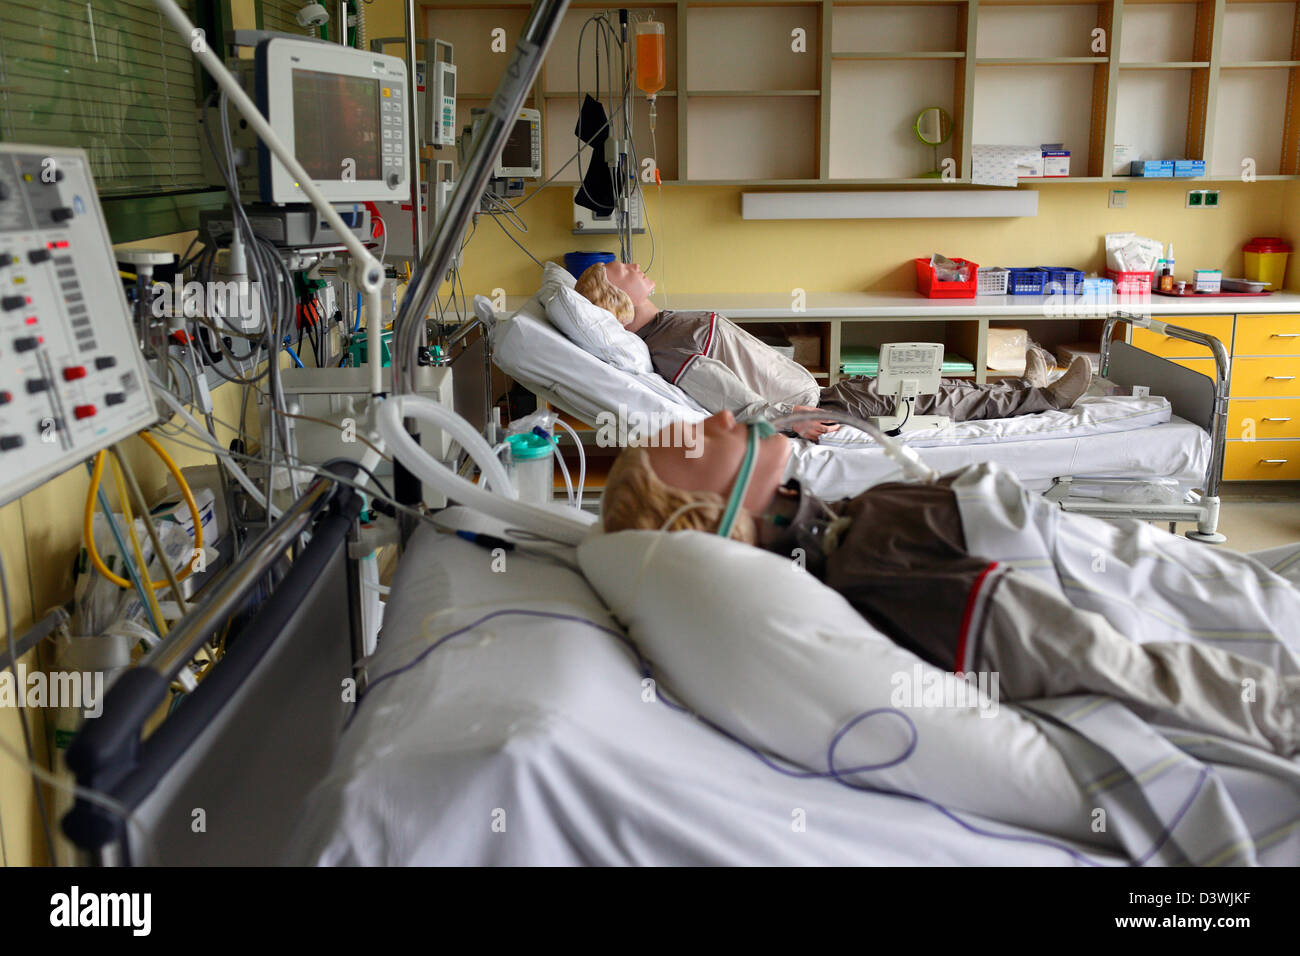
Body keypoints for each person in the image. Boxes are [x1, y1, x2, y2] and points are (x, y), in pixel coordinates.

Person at [599, 409, 1300, 756]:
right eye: (691, 440)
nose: (718, 418)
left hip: (1192, 578)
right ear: (706, 513)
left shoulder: (845, 528)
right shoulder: (875, 565)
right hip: (1239, 630)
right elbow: (1104, 661)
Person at [575, 261, 1092, 441]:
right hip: (817, 411)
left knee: (928, 388)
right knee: (931, 397)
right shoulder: (669, 351)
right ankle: (1044, 400)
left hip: (819, 395)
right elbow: (732, 402)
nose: (635, 266)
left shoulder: (667, 326)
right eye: (622, 267)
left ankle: (1027, 387)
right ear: (616, 297)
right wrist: (787, 421)